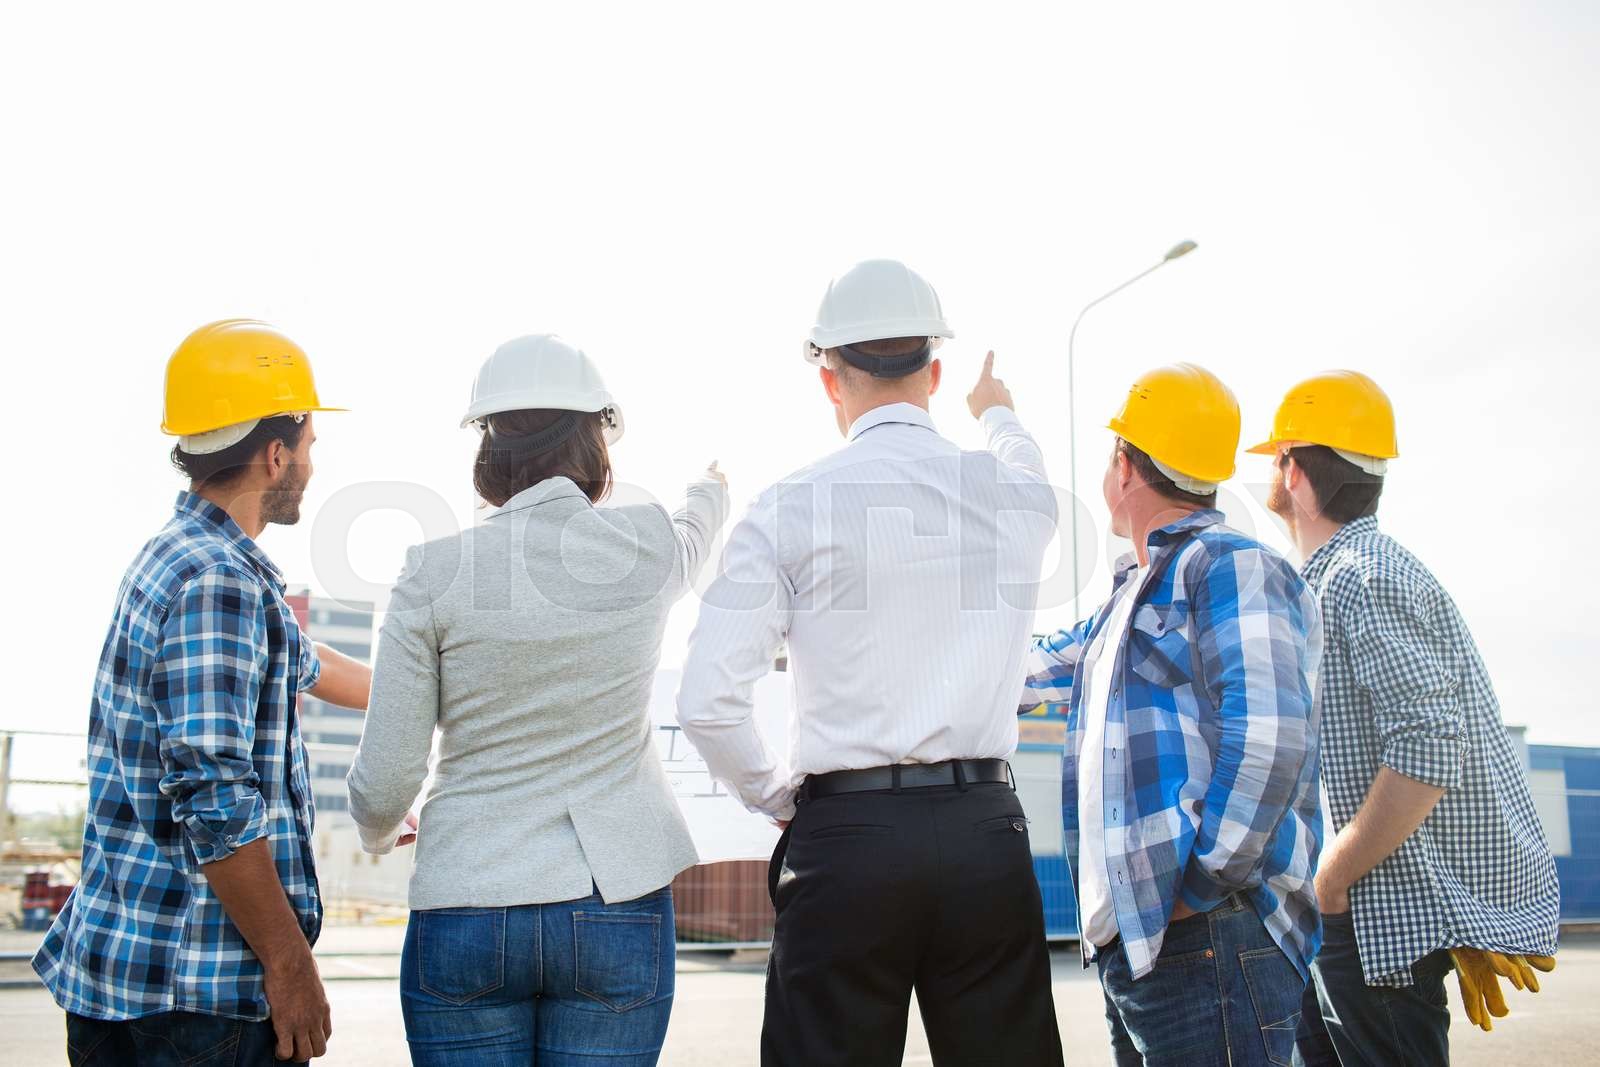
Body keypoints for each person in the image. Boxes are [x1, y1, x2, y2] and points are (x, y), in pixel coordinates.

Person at [677, 259, 1065, 1066]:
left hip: (845, 837)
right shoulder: (1017, 499)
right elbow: (1032, 472)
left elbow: (709, 699)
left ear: (829, 379)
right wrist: (999, 415)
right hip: (984, 832)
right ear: (936, 371)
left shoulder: (787, 506)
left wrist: (784, 799)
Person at [347, 334, 728, 1067]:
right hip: (613, 899)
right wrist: (711, 486)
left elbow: (390, 771)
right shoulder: (645, 546)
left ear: (488, 449)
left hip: (468, 896)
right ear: (595, 442)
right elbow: (695, 533)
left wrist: (376, 828)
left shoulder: (433, 570)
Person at [33, 320, 375, 1065]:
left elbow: (298, 655)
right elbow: (214, 798)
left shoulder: (184, 556)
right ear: (276, 451)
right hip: (195, 1001)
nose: (312, 466)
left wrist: (425, 691)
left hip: (134, 977)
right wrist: (291, 966)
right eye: (311, 447)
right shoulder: (219, 581)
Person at [1248, 371, 1560, 1066]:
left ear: (1295, 471)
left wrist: (1333, 876)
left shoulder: (1363, 577)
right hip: (1351, 915)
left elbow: (1427, 750)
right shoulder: (1346, 575)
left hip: (1369, 919)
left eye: (1278, 457)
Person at [1021, 362, 1324, 1067]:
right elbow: (1033, 669)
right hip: (1150, 943)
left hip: (1206, 935)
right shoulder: (1131, 600)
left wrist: (1197, 887)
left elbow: (1270, 739)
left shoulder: (1228, 564)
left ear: (1124, 468)